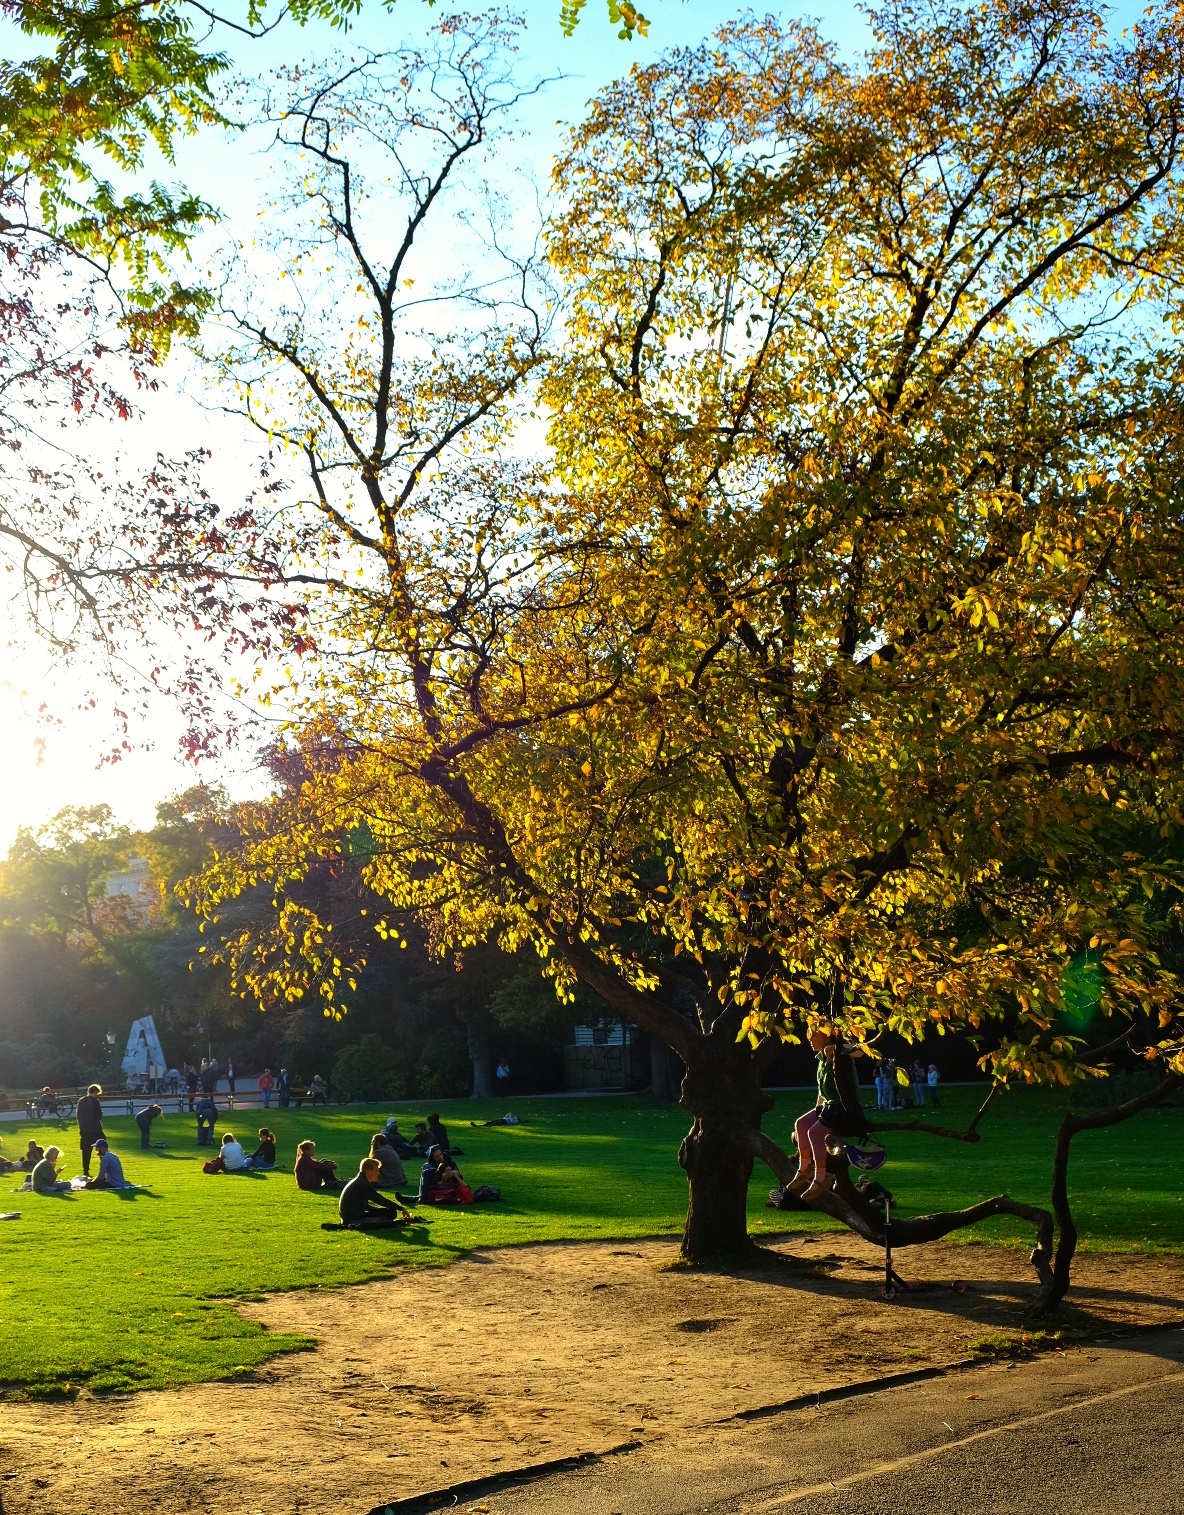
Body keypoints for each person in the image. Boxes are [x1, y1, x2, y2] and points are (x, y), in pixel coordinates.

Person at [784, 1026, 868, 1202]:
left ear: (826, 1037)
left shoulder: (835, 1053)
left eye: (813, 1036)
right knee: (801, 1124)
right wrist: (817, 1111)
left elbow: (858, 1051)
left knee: (814, 1133)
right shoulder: (821, 1058)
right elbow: (822, 1092)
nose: (810, 1040)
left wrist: (838, 1047)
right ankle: (805, 1167)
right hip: (829, 1105)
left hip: (842, 1107)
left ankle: (820, 1177)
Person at [338, 1158, 413, 1230]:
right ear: (368, 1172)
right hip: (353, 1219)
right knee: (385, 1220)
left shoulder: (360, 1181)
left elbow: (364, 1206)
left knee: (391, 1212)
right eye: (376, 1170)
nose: (378, 1173)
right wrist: (401, 1209)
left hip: (356, 1214)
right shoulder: (362, 1184)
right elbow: (380, 1200)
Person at [76, 1083, 105, 1178]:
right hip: (95, 1130)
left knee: (86, 1151)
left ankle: (86, 1171)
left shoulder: (80, 1101)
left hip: (84, 1130)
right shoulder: (95, 1101)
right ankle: (104, 1168)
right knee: (103, 1148)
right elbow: (98, 1116)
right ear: (96, 1092)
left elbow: (78, 1116)